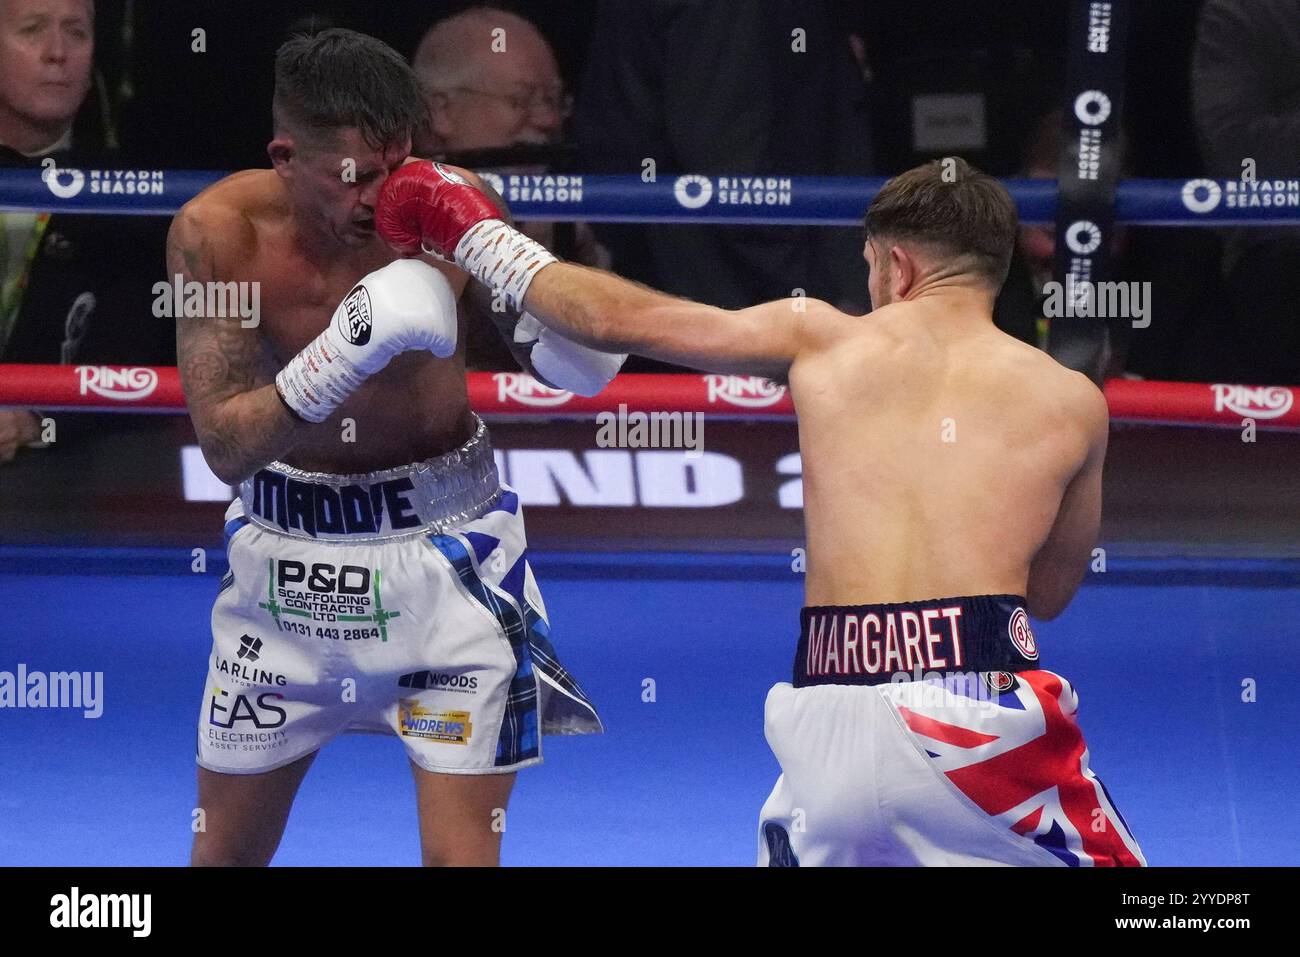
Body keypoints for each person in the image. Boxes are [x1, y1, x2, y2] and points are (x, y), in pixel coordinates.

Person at [375, 155, 1146, 866]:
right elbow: (1047, 595)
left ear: (897, 266)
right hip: (975, 717)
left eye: (871, 267)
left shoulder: (822, 337)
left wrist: (475, 234)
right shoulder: (1072, 400)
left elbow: (615, 321)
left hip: (824, 718)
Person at [172, 28, 619, 867]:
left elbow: (558, 353)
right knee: (220, 858)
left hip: (449, 565)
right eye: (355, 176)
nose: (382, 199)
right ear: (285, 156)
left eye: (396, 164)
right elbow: (226, 444)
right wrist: (345, 352)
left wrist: (565, 321)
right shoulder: (217, 233)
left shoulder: (447, 204)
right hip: (284, 575)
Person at [0, 0, 170, 463]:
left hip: (60, 480)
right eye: (33, 30)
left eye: (76, 32)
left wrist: (31, 420)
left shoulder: (128, 199)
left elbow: (136, 349)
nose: (58, 52)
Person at [411, 5, 609, 370]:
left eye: (552, 101)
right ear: (440, 111)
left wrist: (579, 269)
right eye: (521, 100)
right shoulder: (375, 213)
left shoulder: (567, 223)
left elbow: (596, 366)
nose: (547, 120)